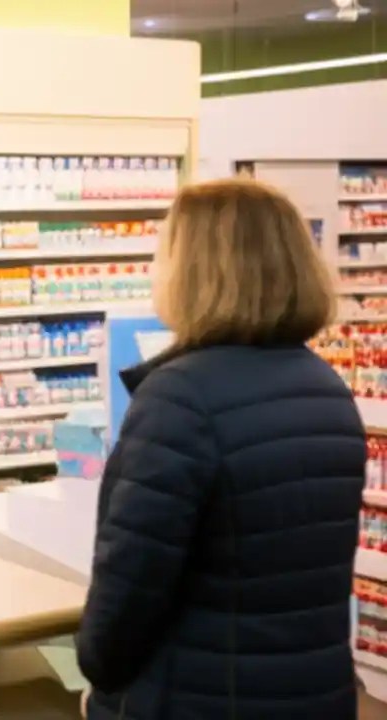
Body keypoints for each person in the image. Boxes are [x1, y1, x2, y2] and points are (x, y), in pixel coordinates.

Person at [76, 179, 364, 719]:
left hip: (200, 699)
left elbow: (130, 590)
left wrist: (97, 673)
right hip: (312, 694)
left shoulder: (180, 398)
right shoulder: (326, 387)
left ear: (195, 272)